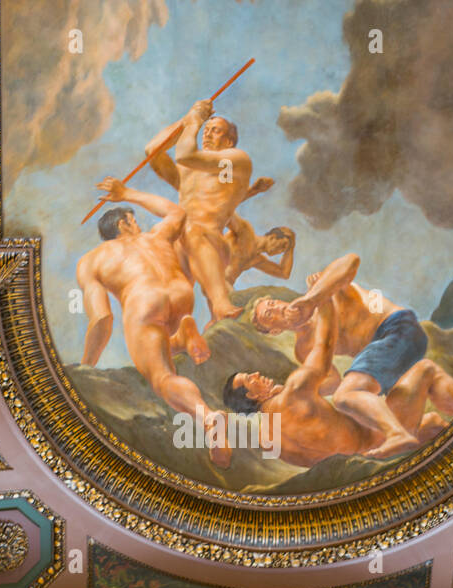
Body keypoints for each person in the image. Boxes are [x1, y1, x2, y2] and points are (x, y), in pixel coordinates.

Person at [251, 253, 453, 458]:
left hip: (395, 329)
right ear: (275, 330)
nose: (276, 308)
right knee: (423, 374)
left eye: (272, 303)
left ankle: (397, 435)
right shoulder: (303, 348)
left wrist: (313, 298)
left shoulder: (321, 288)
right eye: (269, 314)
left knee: (347, 395)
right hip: (386, 364)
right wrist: (295, 392)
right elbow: (331, 380)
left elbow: (351, 260)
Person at [76, 178, 230, 465]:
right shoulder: (157, 236)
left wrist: (85, 367)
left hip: (144, 302)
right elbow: (177, 213)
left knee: (162, 378)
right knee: (164, 347)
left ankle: (208, 419)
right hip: (181, 294)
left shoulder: (91, 260)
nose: (140, 224)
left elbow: (102, 318)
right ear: (125, 223)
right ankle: (182, 337)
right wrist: (127, 193)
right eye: (135, 220)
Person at [222, 285, 453, 466]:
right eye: (248, 379)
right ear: (251, 396)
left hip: (356, 459)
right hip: (374, 440)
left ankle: (446, 437)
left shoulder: (267, 438)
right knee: (425, 370)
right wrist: (323, 301)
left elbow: (313, 456)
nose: (255, 374)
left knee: (432, 423)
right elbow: (324, 346)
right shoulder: (294, 390)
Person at [142, 99, 256, 325]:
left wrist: (194, 124)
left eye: (215, 131)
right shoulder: (188, 171)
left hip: (209, 239)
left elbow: (184, 155)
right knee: (170, 297)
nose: (206, 134)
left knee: (192, 229)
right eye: (206, 129)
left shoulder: (235, 160)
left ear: (229, 140)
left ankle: (221, 302)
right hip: (181, 240)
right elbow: (152, 150)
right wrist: (187, 120)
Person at [224, 218, 294, 285]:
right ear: (272, 237)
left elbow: (284, 273)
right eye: (282, 246)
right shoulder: (245, 232)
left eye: (284, 250)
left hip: (221, 289)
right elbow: (225, 214)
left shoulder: (257, 259)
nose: (280, 251)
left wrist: (291, 248)